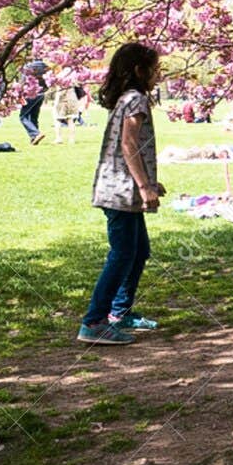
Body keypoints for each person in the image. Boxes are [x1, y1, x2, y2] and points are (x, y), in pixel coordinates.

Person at [81, 42, 165, 346]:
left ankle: (120, 312)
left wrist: (152, 183)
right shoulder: (137, 100)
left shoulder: (125, 99)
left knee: (138, 251)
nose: (158, 75)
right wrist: (144, 186)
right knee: (122, 254)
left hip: (119, 187)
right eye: (155, 70)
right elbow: (129, 145)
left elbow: (129, 148)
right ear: (139, 71)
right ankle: (94, 322)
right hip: (121, 191)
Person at [18, 57, 47, 145]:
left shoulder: (28, 67)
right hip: (41, 94)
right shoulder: (45, 67)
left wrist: (19, 93)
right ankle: (34, 139)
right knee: (34, 117)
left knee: (23, 116)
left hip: (30, 94)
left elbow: (22, 81)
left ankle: (36, 134)